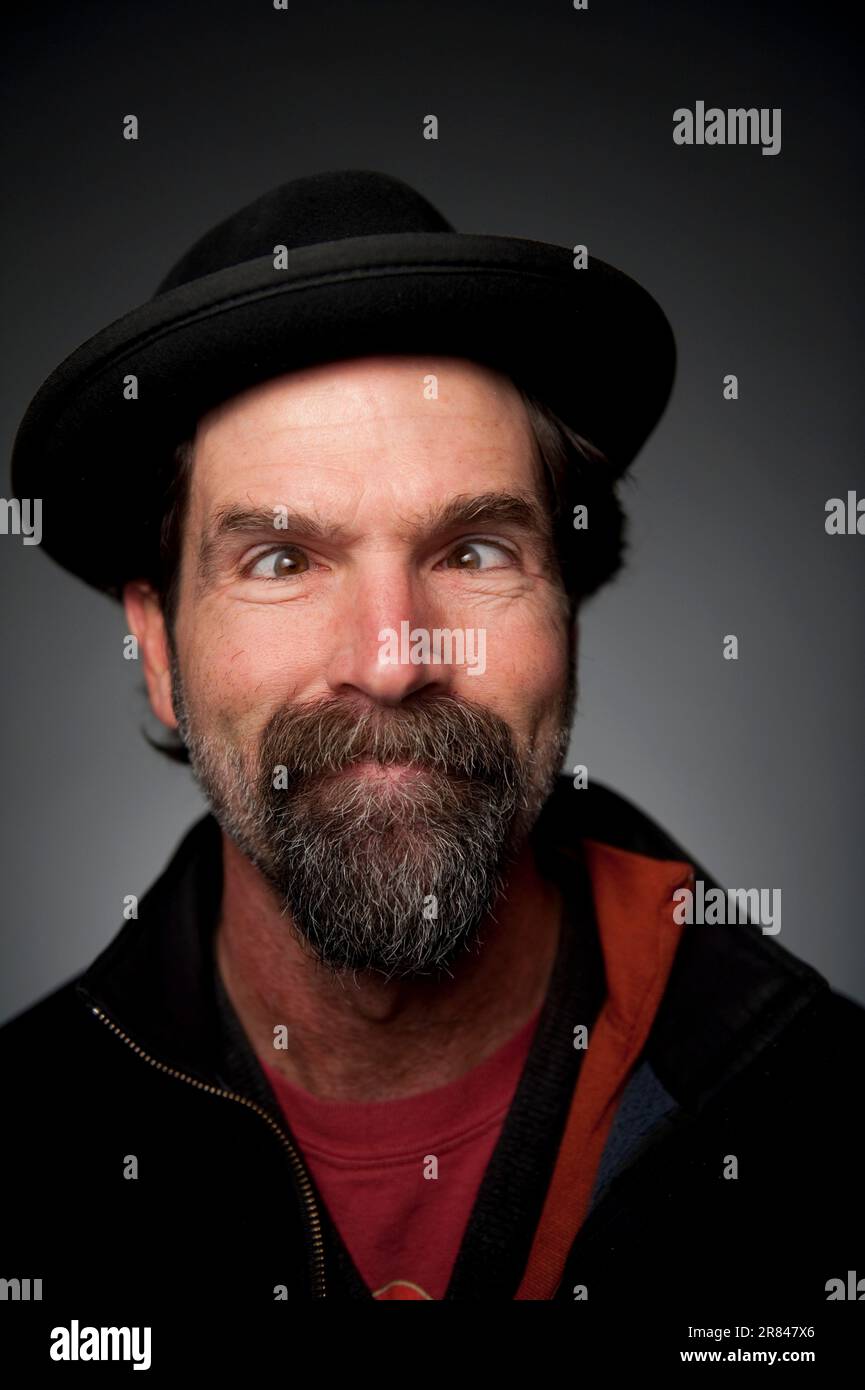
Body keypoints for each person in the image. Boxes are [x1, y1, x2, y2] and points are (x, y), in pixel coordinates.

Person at [1, 171, 862, 1334]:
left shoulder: (831, 1124)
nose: (394, 657)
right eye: (280, 561)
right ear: (158, 648)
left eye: (471, 549)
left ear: (565, 596)